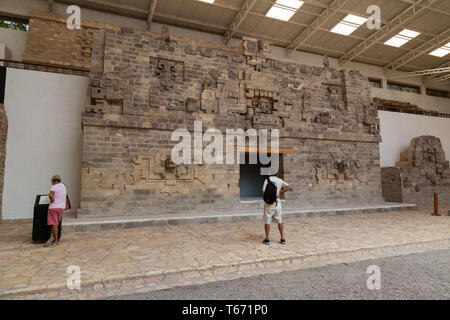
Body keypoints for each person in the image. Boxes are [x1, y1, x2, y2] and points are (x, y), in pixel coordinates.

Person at [262, 174, 291, 245]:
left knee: (267, 221)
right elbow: (288, 187)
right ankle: (282, 238)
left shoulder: (267, 180)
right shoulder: (279, 180)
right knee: (279, 220)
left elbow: (263, 192)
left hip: (269, 204)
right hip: (277, 204)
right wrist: (279, 193)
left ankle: (267, 239)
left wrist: (267, 196)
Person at [44, 175, 67, 247]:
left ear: (53, 180)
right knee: (56, 224)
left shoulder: (54, 186)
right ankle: (51, 237)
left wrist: (52, 200)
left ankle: (56, 240)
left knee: (54, 224)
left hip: (54, 207)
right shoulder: (63, 186)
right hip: (61, 208)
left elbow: (50, 195)